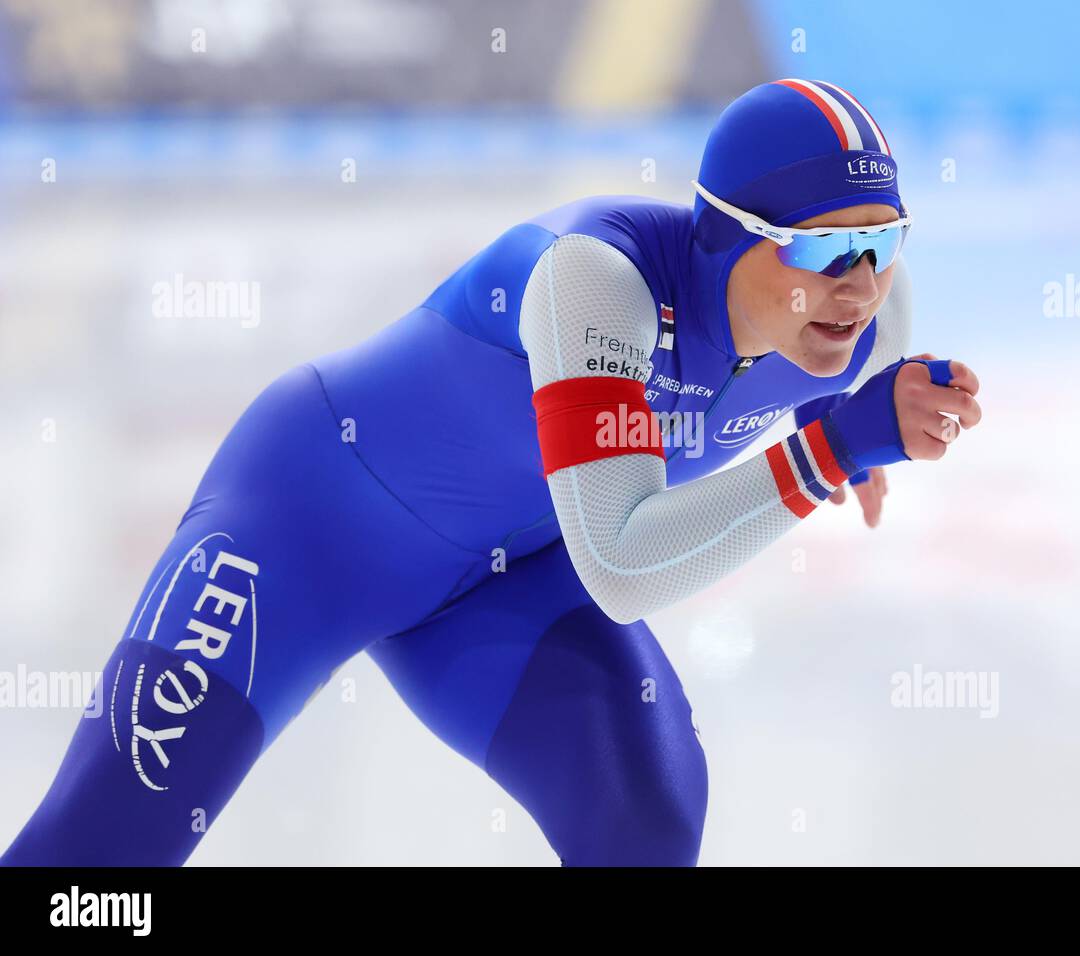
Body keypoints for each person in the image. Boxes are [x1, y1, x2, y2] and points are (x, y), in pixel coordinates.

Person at [1, 78, 980, 867]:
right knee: (94, 867)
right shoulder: (599, 281)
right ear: (724, 232)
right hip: (305, 527)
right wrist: (833, 451)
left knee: (643, 828)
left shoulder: (865, 324)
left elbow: (812, 393)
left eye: (883, 241)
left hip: (507, 577)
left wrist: (843, 429)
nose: (858, 284)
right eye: (823, 246)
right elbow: (624, 566)